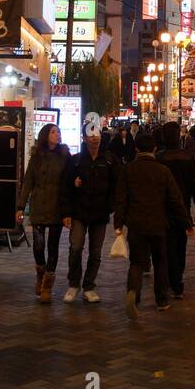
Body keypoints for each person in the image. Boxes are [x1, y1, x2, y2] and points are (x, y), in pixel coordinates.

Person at [114, 132, 190, 319]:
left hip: (136, 224)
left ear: (137, 148)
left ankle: (133, 293)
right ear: (155, 148)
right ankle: (162, 300)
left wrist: (118, 224)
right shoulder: (163, 171)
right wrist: (186, 221)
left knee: (137, 262)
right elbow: (175, 199)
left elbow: (121, 199)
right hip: (158, 223)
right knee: (161, 261)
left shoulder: (128, 170)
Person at [62, 129, 118, 303]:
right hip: (79, 211)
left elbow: (116, 186)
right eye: (90, 136)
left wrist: (110, 207)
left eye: (97, 136)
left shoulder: (109, 160)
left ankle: (89, 285)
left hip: (100, 213)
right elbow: (66, 188)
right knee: (76, 247)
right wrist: (67, 212)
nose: (94, 139)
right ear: (84, 138)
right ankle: (73, 283)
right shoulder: (76, 160)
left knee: (96, 252)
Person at [18, 123, 70, 303]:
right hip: (39, 204)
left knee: (53, 247)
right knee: (39, 245)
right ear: (46, 135)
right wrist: (20, 206)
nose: (57, 134)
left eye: (59, 131)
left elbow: (69, 180)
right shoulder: (36, 156)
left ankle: (48, 283)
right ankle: (40, 272)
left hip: (57, 206)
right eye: (54, 132)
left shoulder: (64, 156)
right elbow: (27, 182)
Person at [156, 121, 195, 299]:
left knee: (164, 245)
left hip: (162, 207)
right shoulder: (187, 157)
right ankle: (177, 281)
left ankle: (166, 279)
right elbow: (194, 183)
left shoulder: (159, 158)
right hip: (182, 206)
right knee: (180, 244)